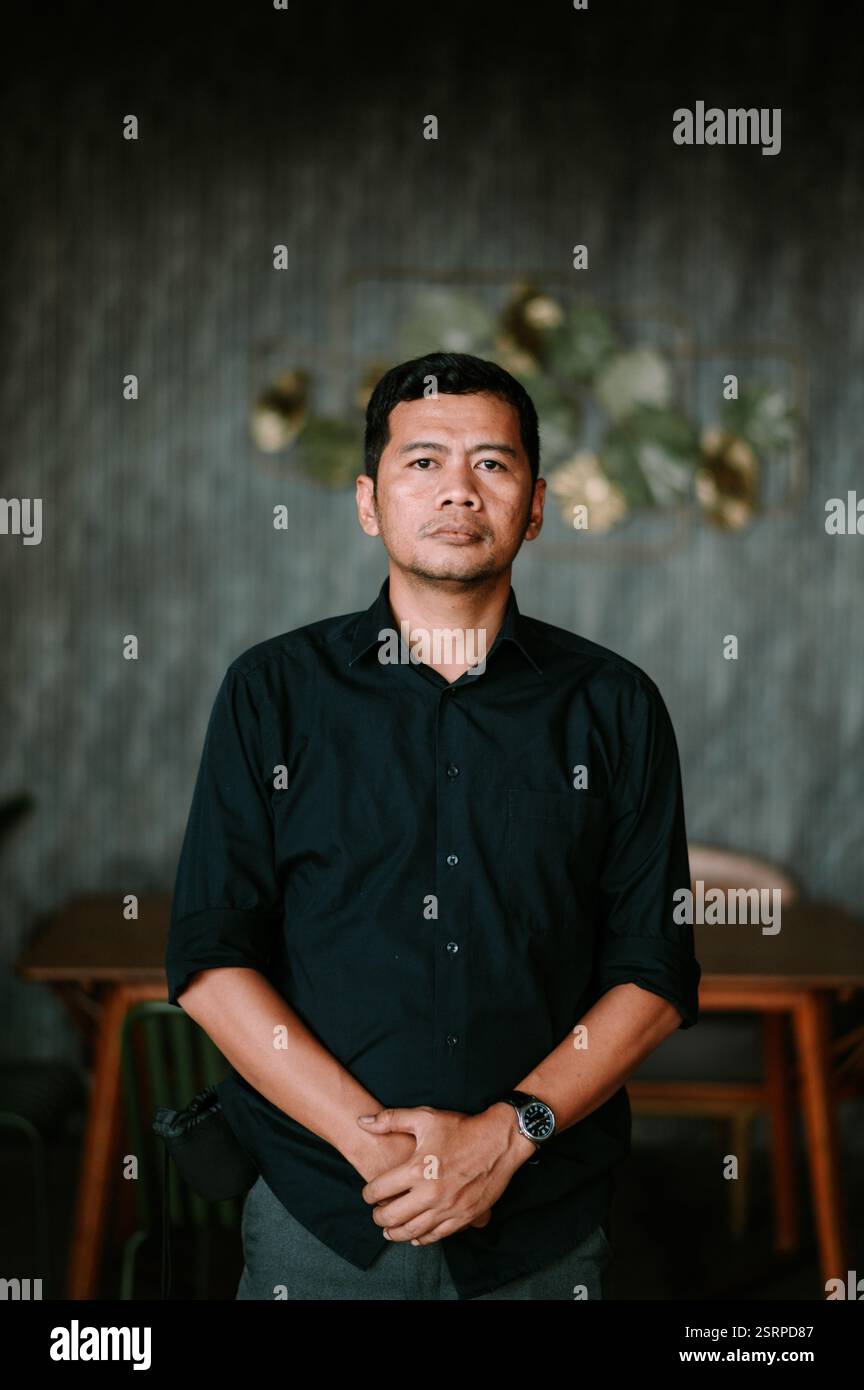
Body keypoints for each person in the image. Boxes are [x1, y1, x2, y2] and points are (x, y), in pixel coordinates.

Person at [165, 351, 701, 1301]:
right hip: (325, 1214)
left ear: (534, 506)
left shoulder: (614, 706)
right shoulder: (272, 693)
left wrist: (505, 1135)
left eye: (492, 464)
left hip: (542, 1221)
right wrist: (388, 1155)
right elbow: (211, 961)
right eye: (423, 462)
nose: (458, 489)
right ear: (369, 501)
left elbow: (652, 972)